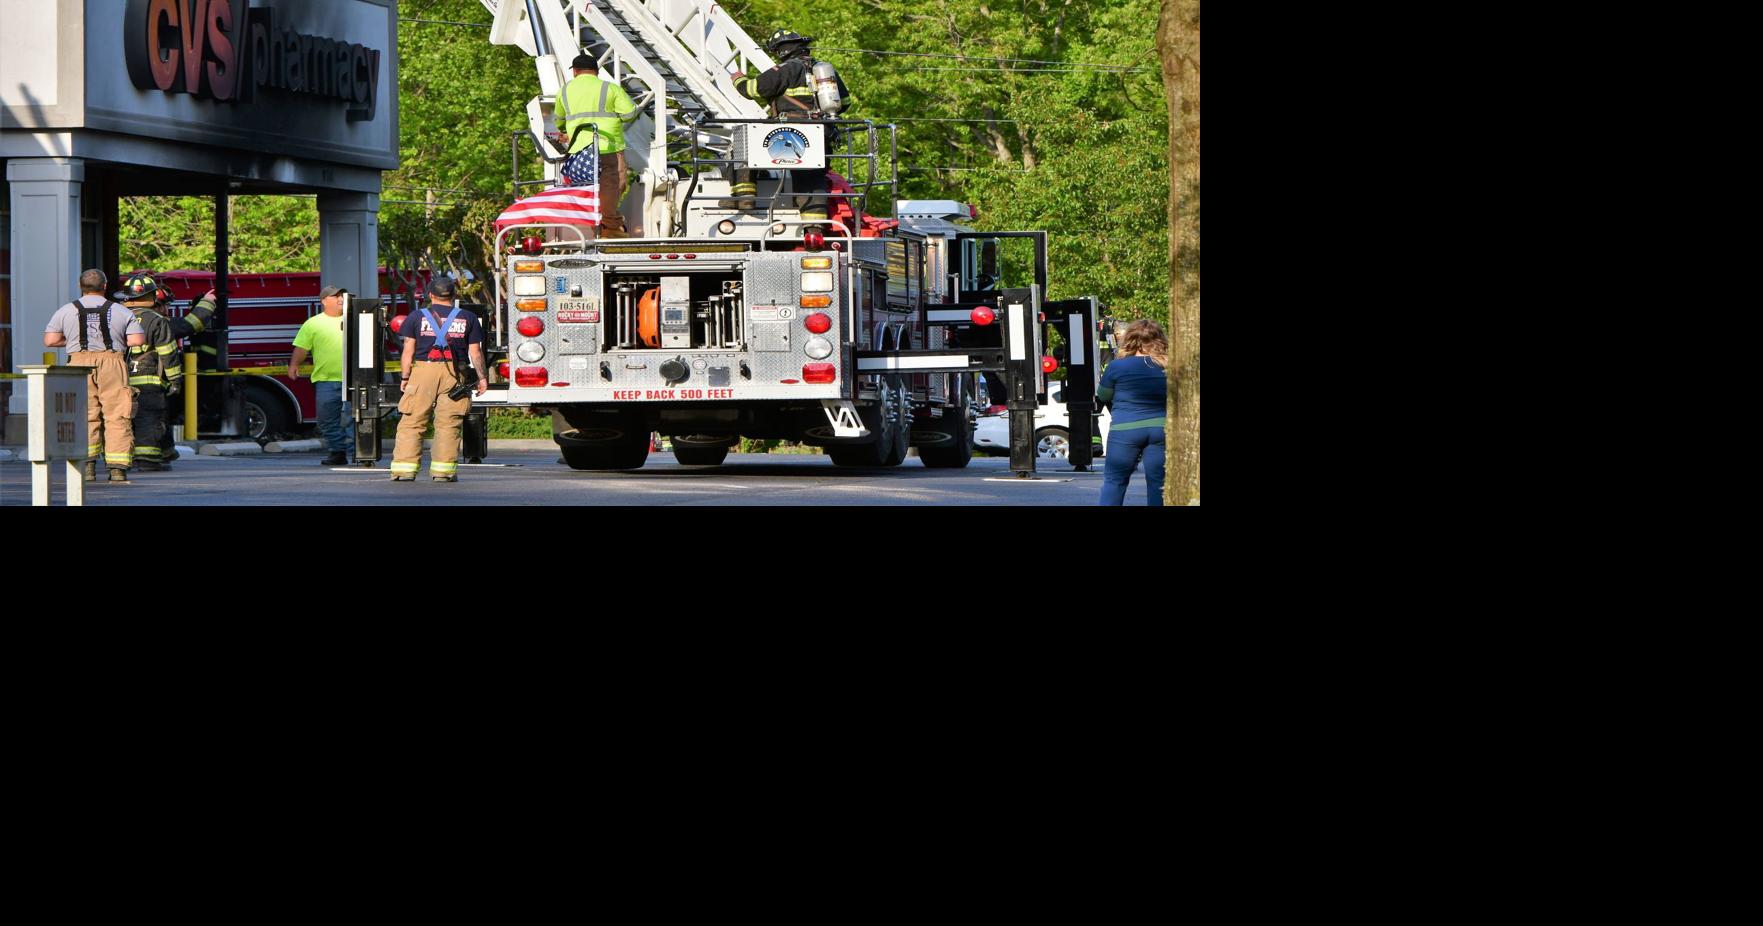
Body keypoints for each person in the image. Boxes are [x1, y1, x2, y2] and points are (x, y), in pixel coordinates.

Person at [733, 29, 849, 231]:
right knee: (811, 178)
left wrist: (737, 79)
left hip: (789, 131)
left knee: (745, 147)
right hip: (821, 132)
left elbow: (752, 89)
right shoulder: (825, 71)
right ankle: (814, 229)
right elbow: (845, 102)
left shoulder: (785, 69)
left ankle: (745, 199)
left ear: (781, 51)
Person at [43, 269, 145, 483]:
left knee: (83, 414)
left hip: (78, 363)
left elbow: (50, 341)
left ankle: (86, 467)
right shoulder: (121, 311)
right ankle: (117, 469)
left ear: (81, 287)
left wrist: (72, 342)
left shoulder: (65, 310)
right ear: (105, 286)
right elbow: (136, 341)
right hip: (112, 362)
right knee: (117, 415)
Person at [390, 278, 488, 483]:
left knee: (412, 421)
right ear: (454, 295)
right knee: (449, 423)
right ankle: (443, 472)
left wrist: (405, 377)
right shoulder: (468, 317)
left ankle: (404, 471)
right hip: (455, 374)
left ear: (430, 295)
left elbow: (408, 351)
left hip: (423, 371)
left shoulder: (416, 316)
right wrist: (482, 378)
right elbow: (475, 352)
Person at [557, 50, 639, 238]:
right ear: (596, 71)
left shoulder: (565, 91)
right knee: (612, 183)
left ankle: (591, 225)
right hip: (607, 145)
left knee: (586, 186)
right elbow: (629, 113)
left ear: (575, 72)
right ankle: (610, 228)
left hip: (578, 148)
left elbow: (559, 120)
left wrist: (567, 131)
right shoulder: (610, 88)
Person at [114, 271, 184, 472]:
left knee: (123, 420)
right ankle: (147, 461)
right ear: (152, 296)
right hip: (148, 381)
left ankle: (123, 459)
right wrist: (175, 380)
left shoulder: (115, 317)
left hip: (119, 378)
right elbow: (168, 353)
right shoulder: (157, 320)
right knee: (149, 419)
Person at [1097, 319, 1169, 507]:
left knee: (1115, 481)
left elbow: (1103, 395)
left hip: (1125, 429)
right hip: (1160, 429)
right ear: (1159, 340)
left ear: (1129, 339)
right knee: (1158, 484)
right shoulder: (1168, 366)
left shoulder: (1117, 367)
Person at [290, 284, 353, 466]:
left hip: (352, 378)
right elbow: (302, 348)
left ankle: (359, 454)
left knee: (354, 418)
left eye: (342, 296)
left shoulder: (354, 320)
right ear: (324, 301)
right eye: (336, 296)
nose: (341, 299)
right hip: (325, 380)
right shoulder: (313, 323)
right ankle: (337, 452)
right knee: (326, 420)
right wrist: (294, 364)